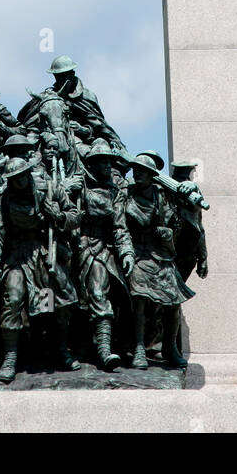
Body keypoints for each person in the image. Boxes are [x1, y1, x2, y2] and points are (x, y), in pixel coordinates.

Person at [0, 156, 80, 383]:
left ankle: (60, 350)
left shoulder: (50, 188)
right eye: (13, 178)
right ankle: (10, 357)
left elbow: (75, 216)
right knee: (13, 298)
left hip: (45, 251)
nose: (18, 182)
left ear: (28, 173)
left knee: (56, 301)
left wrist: (58, 215)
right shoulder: (1, 196)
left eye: (20, 177)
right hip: (17, 254)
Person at [123, 153, 193, 371]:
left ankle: (170, 347)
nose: (137, 175)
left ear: (152, 175)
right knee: (139, 302)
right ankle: (139, 348)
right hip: (137, 253)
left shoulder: (163, 196)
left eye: (142, 171)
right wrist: (126, 252)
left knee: (173, 303)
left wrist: (188, 191)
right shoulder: (126, 195)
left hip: (161, 255)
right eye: (135, 171)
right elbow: (120, 228)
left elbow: (181, 218)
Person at [78, 140, 135, 370]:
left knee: (106, 291)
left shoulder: (115, 190)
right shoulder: (79, 184)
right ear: (91, 164)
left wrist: (127, 252)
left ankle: (106, 349)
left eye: (109, 160)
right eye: (102, 161)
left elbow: (120, 226)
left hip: (103, 247)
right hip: (78, 244)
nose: (107, 165)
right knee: (50, 296)